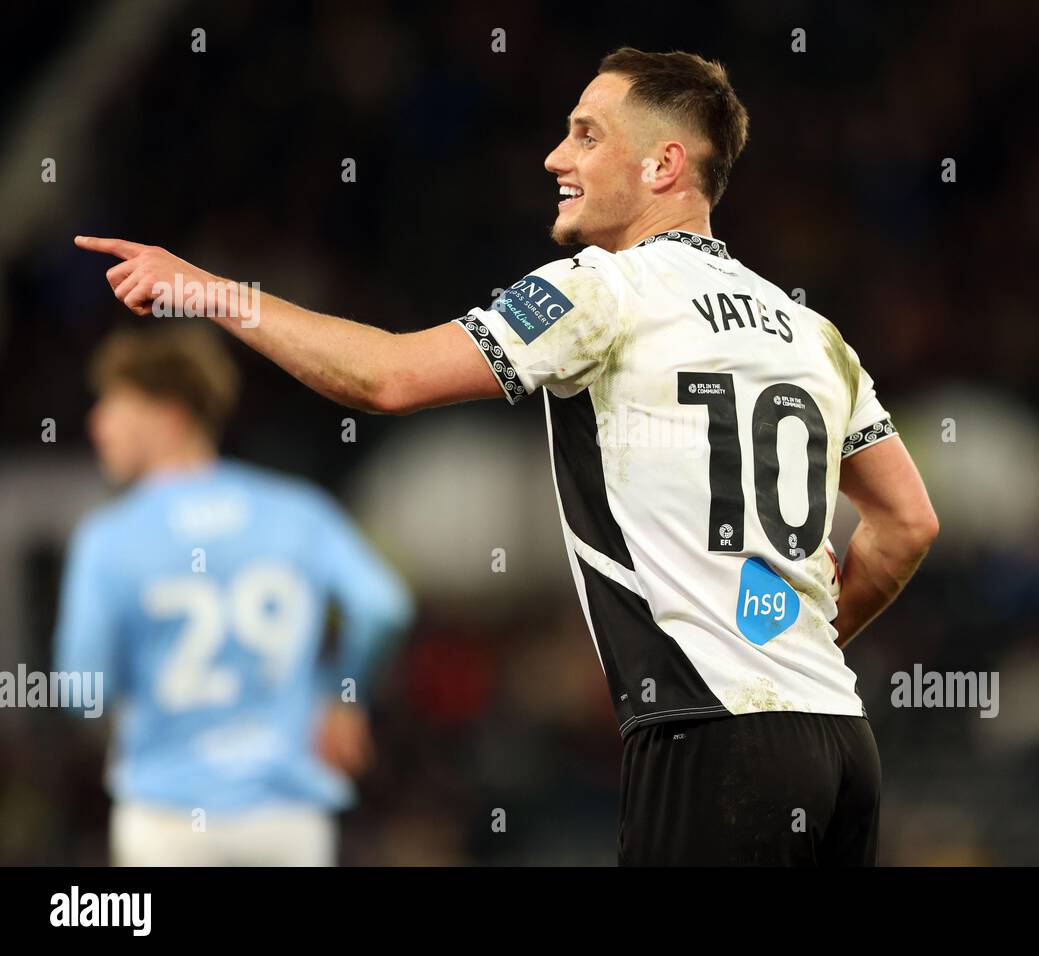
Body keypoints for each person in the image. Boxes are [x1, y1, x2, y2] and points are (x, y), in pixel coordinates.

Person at [75, 47, 938, 865]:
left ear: (664, 166)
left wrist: (209, 287)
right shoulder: (810, 332)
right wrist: (791, 645)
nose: (557, 156)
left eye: (588, 134)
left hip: (710, 736)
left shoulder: (603, 289)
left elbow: (383, 377)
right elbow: (906, 523)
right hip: (838, 741)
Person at [54, 324, 412, 865]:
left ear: (168, 415)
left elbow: (83, 692)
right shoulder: (298, 510)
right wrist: (346, 698)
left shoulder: (108, 538)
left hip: (167, 813)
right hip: (286, 814)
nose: (97, 424)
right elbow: (384, 607)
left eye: (114, 405)